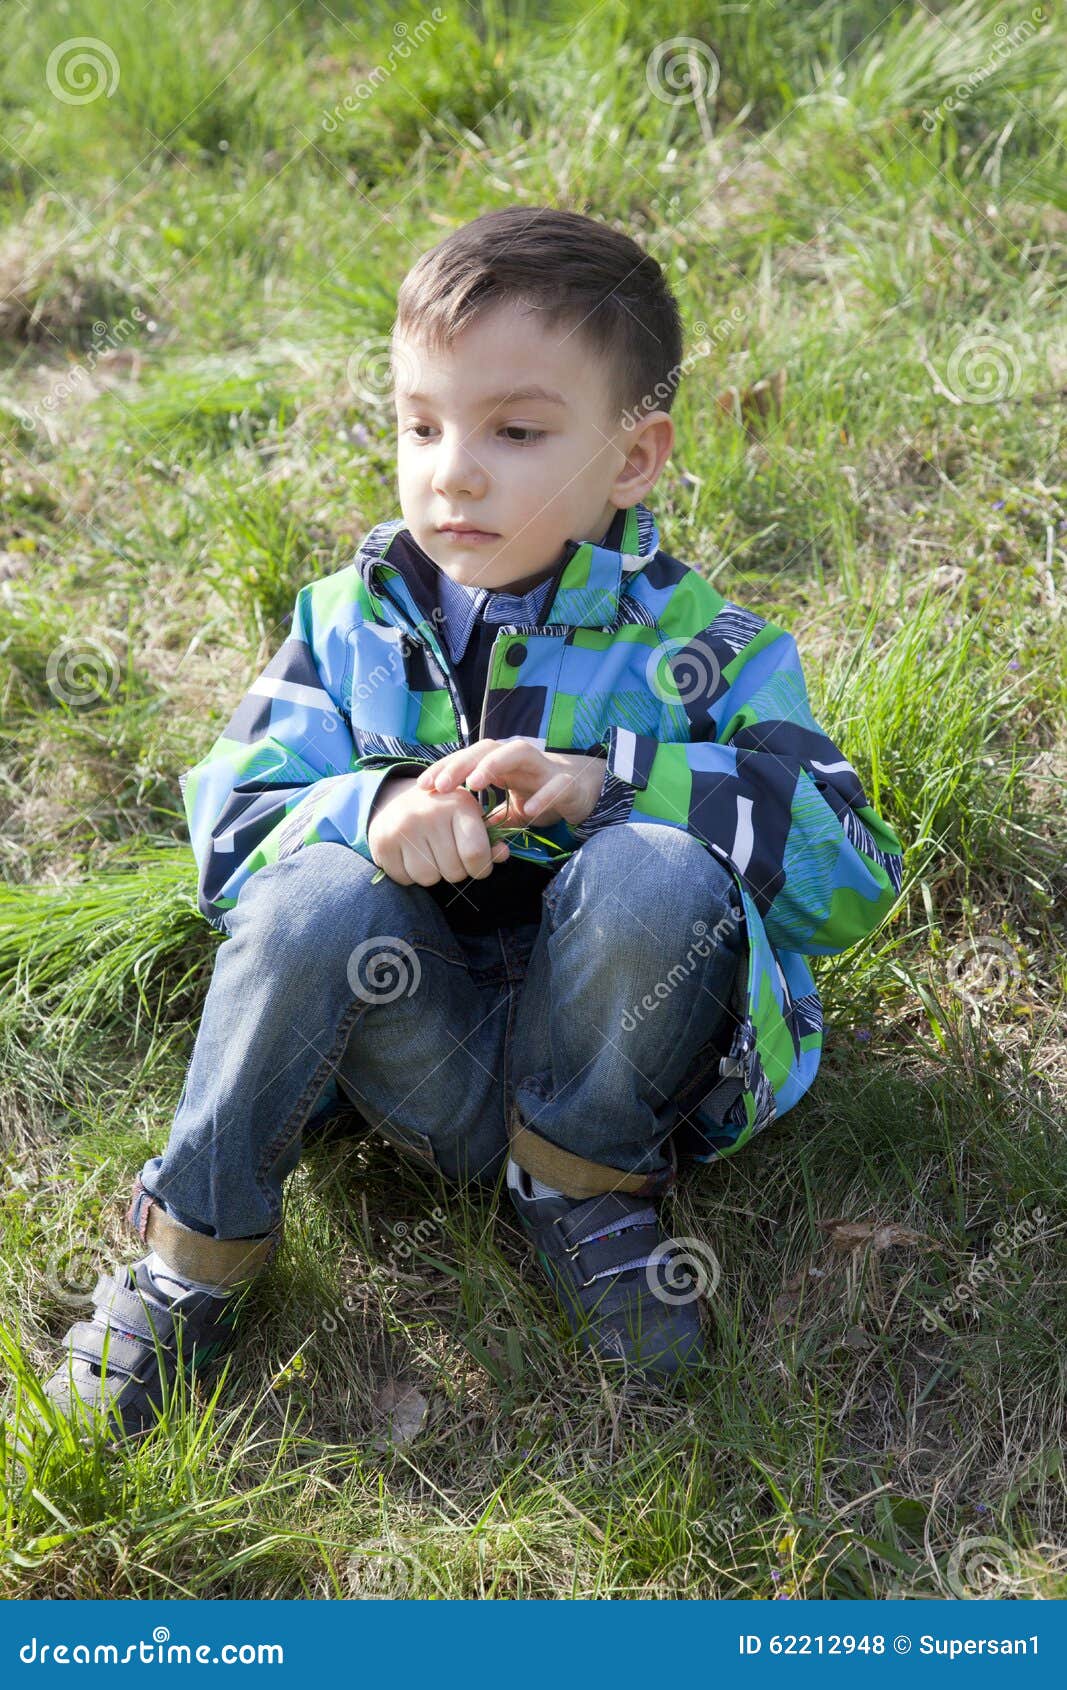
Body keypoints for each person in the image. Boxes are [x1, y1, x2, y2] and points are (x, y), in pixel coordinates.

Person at [42, 205, 903, 1437]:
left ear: (632, 455)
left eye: (514, 431)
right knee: (312, 894)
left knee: (658, 868)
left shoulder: (704, 651)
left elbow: (848, 872)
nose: (451, 469)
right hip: (418, 1054)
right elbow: (231, 830)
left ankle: (582, 1196)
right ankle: (191, 1256)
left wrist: (621, 781)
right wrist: (371, 810)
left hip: (620, 1065)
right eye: (420, 424)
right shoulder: (348, 624)